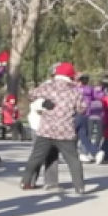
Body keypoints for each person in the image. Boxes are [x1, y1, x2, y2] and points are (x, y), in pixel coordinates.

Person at [19, 62, 87, 193]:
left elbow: (31, 95)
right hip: (65, 131)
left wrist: (43, 102)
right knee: (73, 159)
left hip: (46, 130)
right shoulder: (74, 92)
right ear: (70, 76)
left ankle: (25, 181)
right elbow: (81, 109)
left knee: (36, 156)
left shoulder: (47, 87)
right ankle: (79, 186)